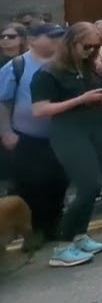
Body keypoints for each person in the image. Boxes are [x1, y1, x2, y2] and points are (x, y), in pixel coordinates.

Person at [29, 23, 102, 267]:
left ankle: (80, 235)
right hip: (69, 133)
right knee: (89, 185)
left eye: (96, 46)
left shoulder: (89, 68)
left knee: (94, 189)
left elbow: (94, 94)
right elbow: (40, 109)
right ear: (71, 43)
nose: (91, 51)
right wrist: (81, 99)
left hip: (96, 129)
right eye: (86, 46)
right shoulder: (48, 73)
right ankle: (62, 246)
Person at [0, 24, 68, 247]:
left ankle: (53, 225)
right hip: (27, 138)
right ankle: (34, 230)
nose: (59, 40)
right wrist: (7, 132)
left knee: (59, 182)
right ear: (33, 39)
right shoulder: (16, 66)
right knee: (31, 185)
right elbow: (3, 102)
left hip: (59, 136)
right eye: (52, 36)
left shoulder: (63, 62)